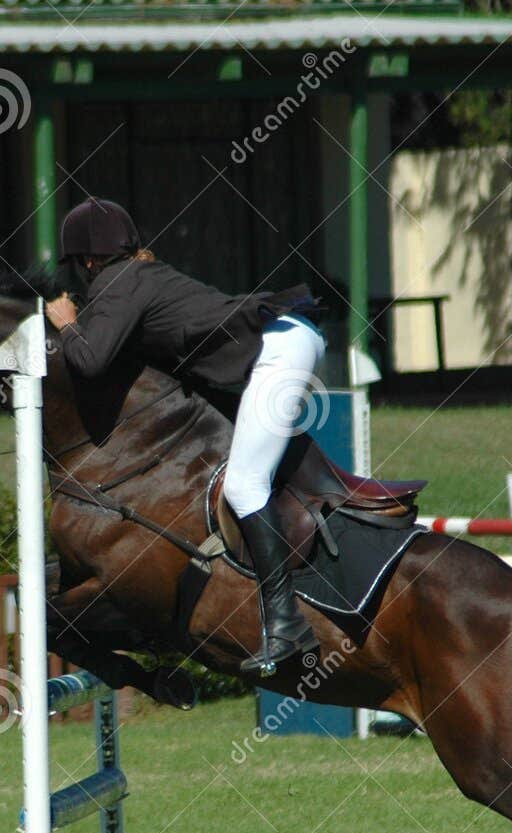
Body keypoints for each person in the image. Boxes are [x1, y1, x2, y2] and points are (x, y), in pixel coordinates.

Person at [43, 197, 323, 674]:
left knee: (244, 486)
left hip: (279, 349)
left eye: (78, 266)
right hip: (283, 339)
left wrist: (68, 325)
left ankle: (286, 623)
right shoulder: (137, 276)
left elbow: (89, 361)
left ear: (88, 261)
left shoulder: (117, 283)